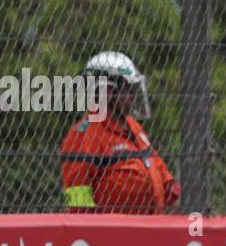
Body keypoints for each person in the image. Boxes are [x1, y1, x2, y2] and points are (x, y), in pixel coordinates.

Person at [59, 51, 180, 214]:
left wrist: (167, 183)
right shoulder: (85, 134)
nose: (133, 97)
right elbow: (77, 193)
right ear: (107, 92)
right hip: (111, 231)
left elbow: (153, 159)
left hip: (150, 225)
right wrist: (86, 226)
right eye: (129, 91)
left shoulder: (132, 126)